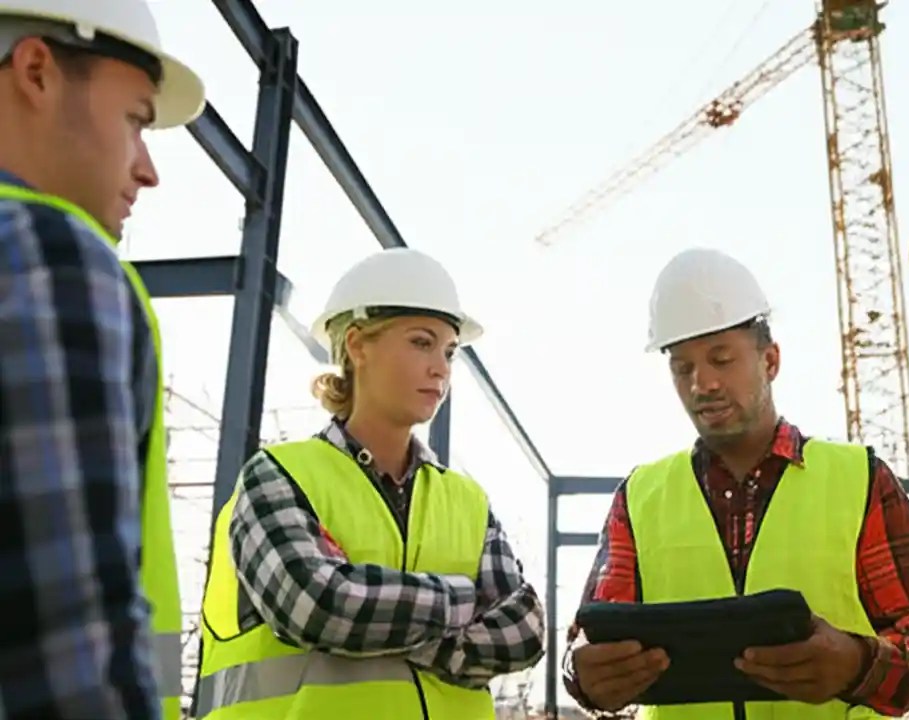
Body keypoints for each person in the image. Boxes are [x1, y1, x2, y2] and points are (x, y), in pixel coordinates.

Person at [562, 248, 909, 719]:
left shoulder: (859, 480)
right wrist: (583, 676)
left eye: (721, 359)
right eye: (683, 368)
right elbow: (588, 642)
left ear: (770, 361)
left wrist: (858, 664)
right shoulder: (640, 497)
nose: (702, 384)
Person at [194, 247, 546, 719]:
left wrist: (382, 629)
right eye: (421, 342)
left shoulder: (467, 500)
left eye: (449, 351)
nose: (440, 367)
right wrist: (463, 598)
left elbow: (525, 632)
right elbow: (318, 606)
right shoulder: (278, 475)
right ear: (357, 345)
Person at [0, 1, 205, 718]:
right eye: (136, 120)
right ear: (36, 70)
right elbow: (64, 661)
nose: (147, 170)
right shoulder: (43, 254)